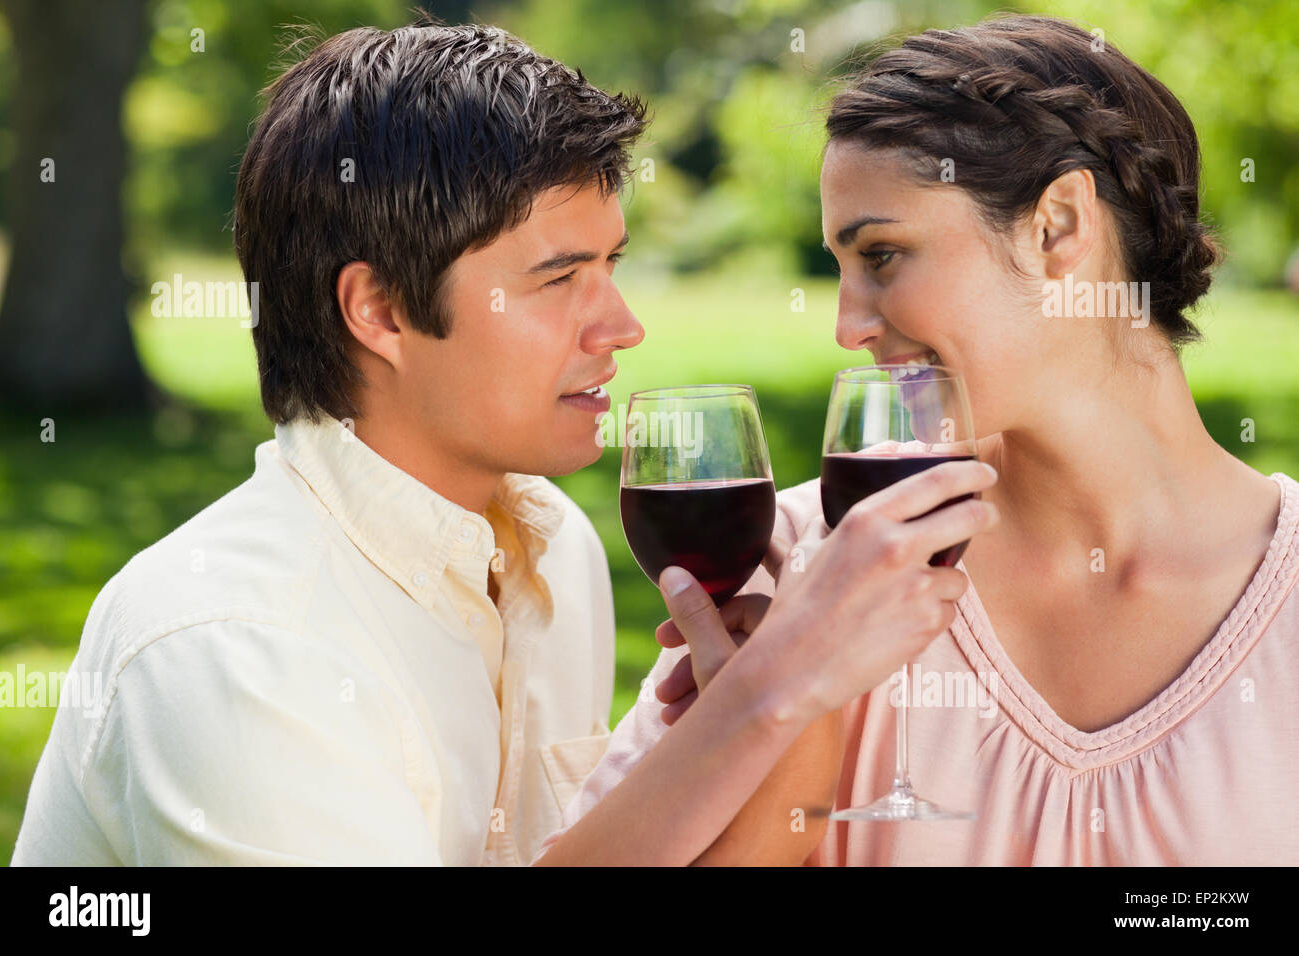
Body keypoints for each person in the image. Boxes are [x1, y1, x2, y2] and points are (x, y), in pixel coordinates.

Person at [11, 20, 998, 866]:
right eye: (559, 277)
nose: (619, 325)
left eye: (610, 265)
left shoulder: (546, 548)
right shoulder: (233, 644)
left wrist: (736, 722)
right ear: (382, 310)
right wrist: (781, 683)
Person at [538, 13, 1299, 866]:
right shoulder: (798, 575)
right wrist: (781, 701)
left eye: (884, 255)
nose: (847, 326)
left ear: (1059, 226)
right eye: (839, 266)